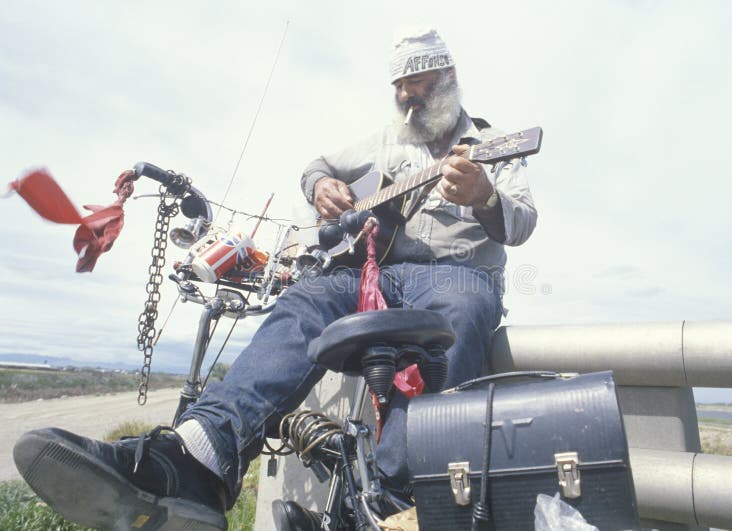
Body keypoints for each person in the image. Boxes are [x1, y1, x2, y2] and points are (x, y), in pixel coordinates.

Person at [13, 27, 537, 530]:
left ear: (445, 78)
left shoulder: (490, 143)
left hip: (458, 275)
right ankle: (197, 457)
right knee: (308, 299)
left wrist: (483, 196)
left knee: (462, 311)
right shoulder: (385, 141)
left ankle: (402, 497)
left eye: (416, 86)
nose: (406, 98)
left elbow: (520, 221)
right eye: (398, 88)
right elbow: (315, 165)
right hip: (381, 273)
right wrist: (322, 186)